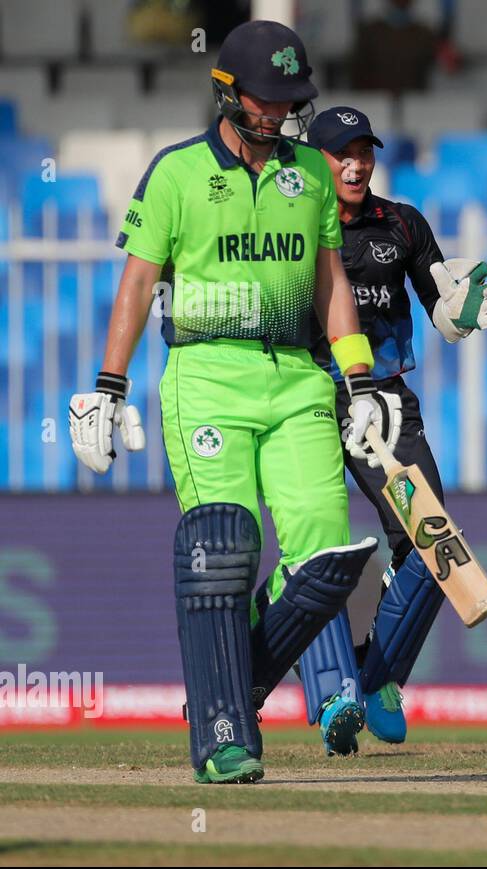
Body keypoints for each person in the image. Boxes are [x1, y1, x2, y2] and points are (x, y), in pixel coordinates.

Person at [68, 20, 391, 784]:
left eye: (291, 100)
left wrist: (361, 378)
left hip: (296, 379)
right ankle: (224, 738)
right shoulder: (177, 173)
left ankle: (231, 686)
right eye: (268, 99)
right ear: (228, 92)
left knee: (324, 557)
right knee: (224, 551)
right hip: (205, 376)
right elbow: (139, 285)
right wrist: (106, 388)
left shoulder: (310, 173)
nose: (281, 113)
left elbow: (330, 283)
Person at [295, 106, 487, 753]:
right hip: (304, 397)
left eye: (365, 151)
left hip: (384, 401)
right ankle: (335, 692)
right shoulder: (293, 221)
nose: (357, 163)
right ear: (315, 158)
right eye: (341, 152)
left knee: (429, 539)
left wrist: (458, 313)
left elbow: (440, 307)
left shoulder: (400, 223)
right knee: (315, 548)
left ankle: (378, 678)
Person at [351, 0, 461, 93]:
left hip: (416, 106)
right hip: (375, 105)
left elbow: (448, 65)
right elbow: (356, 74)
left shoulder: (424, 34)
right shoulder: (370, 33)